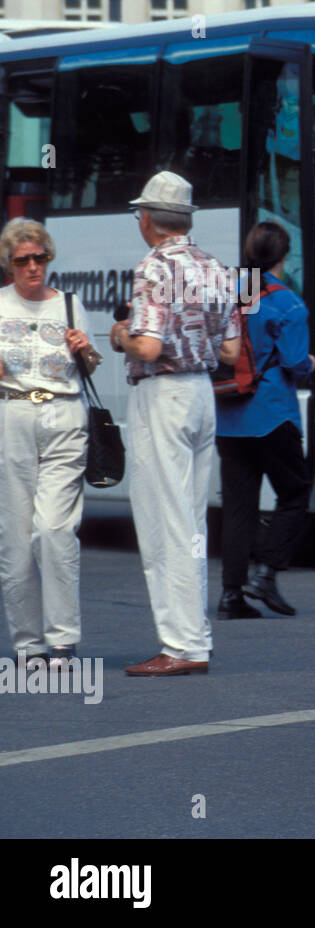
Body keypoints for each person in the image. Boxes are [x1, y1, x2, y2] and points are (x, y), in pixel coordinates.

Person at [110, 171, 239, 676]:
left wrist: (120, 333)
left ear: (147, 220)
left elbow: (148, 345)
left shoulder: (153, 267)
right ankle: (194, 639)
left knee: (163, 521)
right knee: (190, 519)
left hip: (162, 395)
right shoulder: (217, 268)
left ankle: (180, 645)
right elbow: (230, 350)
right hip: (203, 393)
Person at [0, 219, 100, 671]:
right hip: (12, 415)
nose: (32, 267)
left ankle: (63, 639)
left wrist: (87, 350)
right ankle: (28, 643)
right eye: (22, 260)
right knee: (16, 538)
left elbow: (93, 366)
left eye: (39, 258)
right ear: (9, 264)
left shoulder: (73, 306)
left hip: (64, 415)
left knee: (55, 530)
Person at [215, 221, 315, 621]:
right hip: (272, 413)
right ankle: (266, 572)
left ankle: (230, 596)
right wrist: (307, 362)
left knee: (239, 506)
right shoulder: (289, 303)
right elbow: (294, 362)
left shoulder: (235, 297)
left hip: (229, 416)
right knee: (294, 493)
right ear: (284, 256)